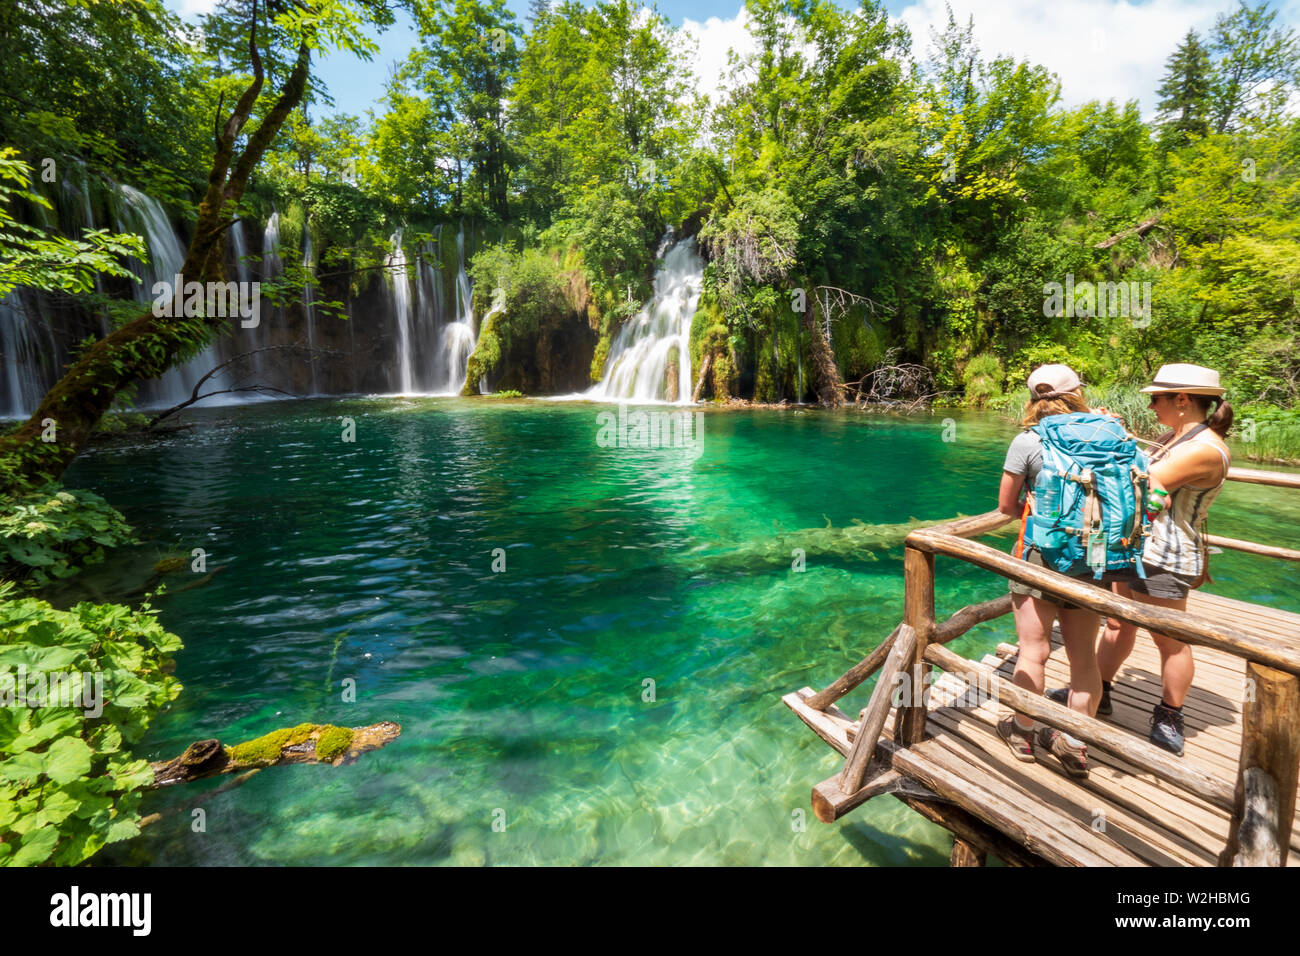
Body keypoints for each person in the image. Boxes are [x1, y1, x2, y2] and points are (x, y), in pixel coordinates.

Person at [1090, 364, 1233, 757]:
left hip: (1166, 557)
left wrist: (1111, 436)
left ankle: (1170, 715)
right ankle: (1100, 693)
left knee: (1169, 641)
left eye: (1156, 399)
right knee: (1118, 624)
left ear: (1182, 400)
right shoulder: (1173, 436)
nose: (1152, 406)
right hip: (1133, 547)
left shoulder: (1205, 449)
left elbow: (1144, 478)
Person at [995, 364, 1121, 779]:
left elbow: (1006, 507)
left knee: (1034, 650)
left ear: (1033, 399)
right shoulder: (1110, 434)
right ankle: (1075, 742)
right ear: (1078, 393)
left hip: (1041, 557)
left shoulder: (1027, 441)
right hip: (1095, 556)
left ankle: (1023, 733)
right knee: (1084, 655)